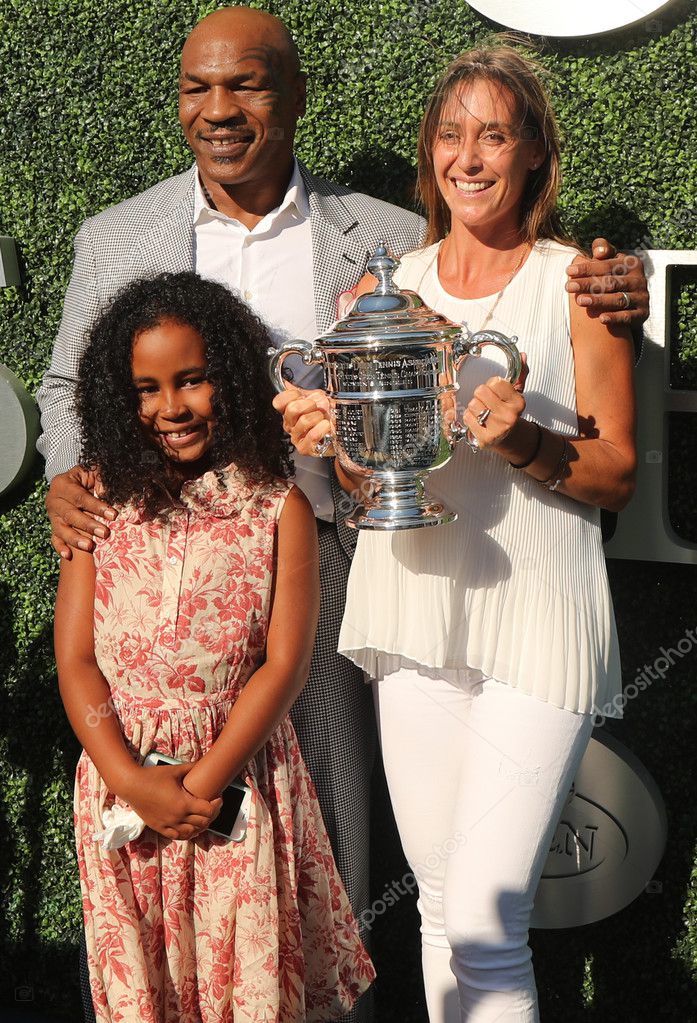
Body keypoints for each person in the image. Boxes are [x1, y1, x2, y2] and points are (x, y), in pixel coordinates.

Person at [36, 8, 647, 1021]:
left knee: (334, 841)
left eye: (247, 86)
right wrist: (70, 477)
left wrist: (609, 287)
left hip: (324, 570)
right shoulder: (115, 237)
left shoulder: (388, 243)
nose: (220, 110)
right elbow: (68, 389)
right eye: (198, 87)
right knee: (420, 900)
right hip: (164, 594)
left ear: (296, 97)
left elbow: (518, 301)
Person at [277, 44, 637, 1023]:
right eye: (450, 133)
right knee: (438, 913)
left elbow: (614, 475)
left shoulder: (582, 287)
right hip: (412, 607)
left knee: (485, 918)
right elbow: (366, 476)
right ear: (428, 154)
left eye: (494, 134)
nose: (468, 156)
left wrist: (518, 434)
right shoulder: (381, 290)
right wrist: (331, 444)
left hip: (536, 623)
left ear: (533, 156)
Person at [54, 270, 375, 1023]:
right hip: (120, 787)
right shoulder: (94, 502)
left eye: (192, 380)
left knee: (243, 983)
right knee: (145, 986)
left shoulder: (278, 505)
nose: (170, 407)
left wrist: (202, 785)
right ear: (116, 396)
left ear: (228, 378)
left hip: (237, 786)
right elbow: (75, 659)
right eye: (146, 388)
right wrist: (130, 781)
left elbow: (285, 663)